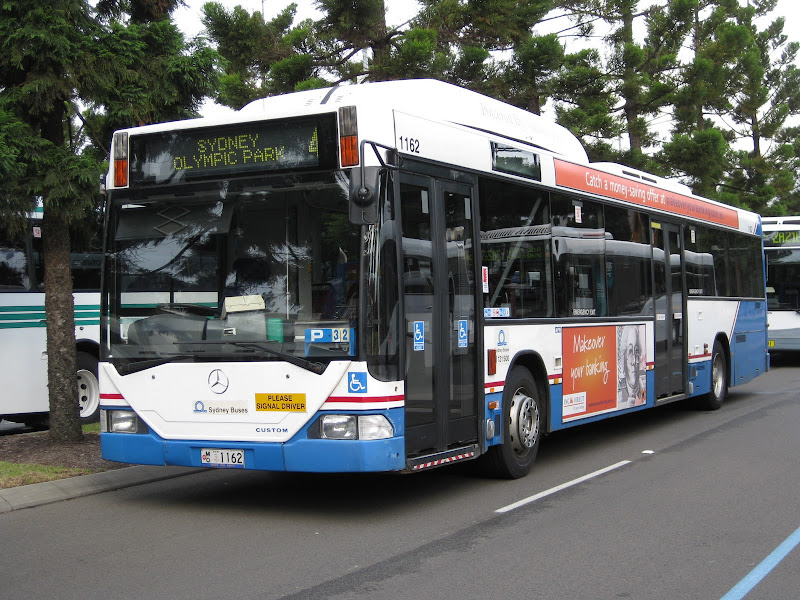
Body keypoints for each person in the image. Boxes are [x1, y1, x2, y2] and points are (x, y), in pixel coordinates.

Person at [618, 324, 646, 408]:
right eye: (630, 352)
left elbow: (643, 398)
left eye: (636, 351)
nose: (634, 361)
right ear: (623, 357)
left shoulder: (642, 387)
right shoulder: (620, 397)